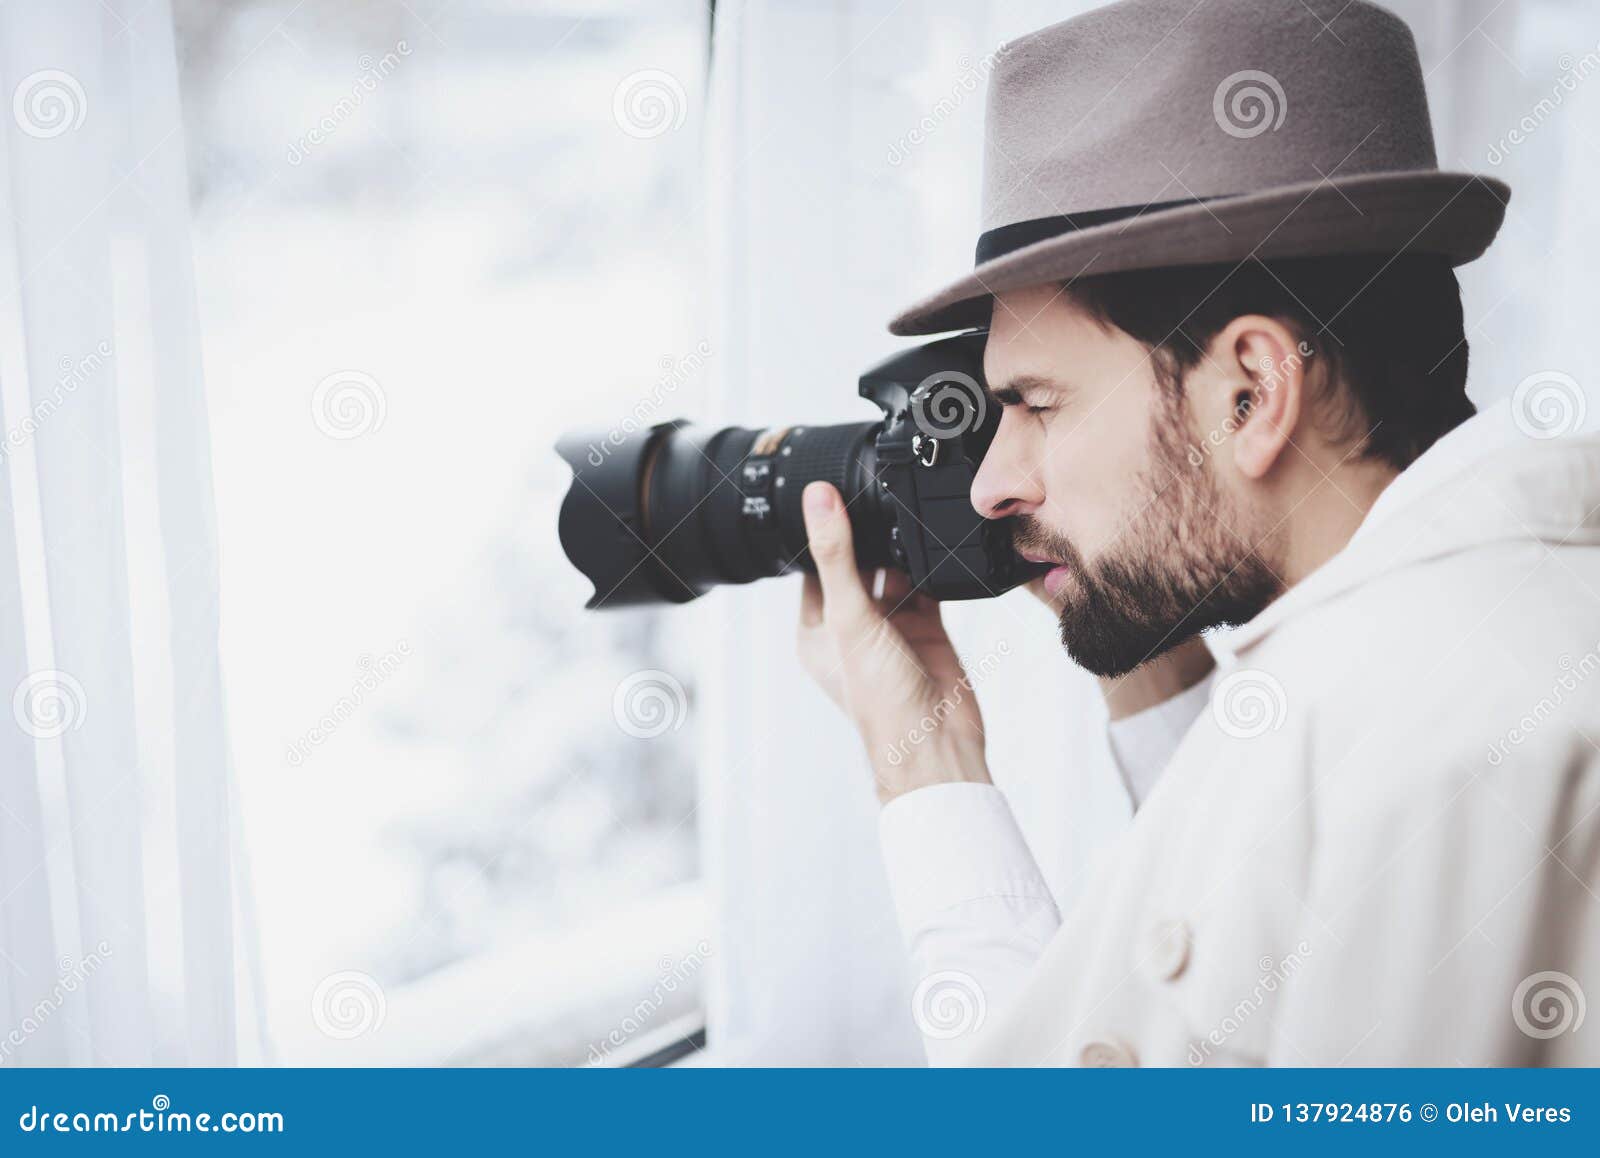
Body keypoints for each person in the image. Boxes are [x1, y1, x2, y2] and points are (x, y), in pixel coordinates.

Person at [795, 0, 1600, 1065]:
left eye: (1036, 404)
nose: (991, 482)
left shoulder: (1432, 755)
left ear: (1250, 392)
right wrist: (1139, 622)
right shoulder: (1472, 637)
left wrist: (922, 759)